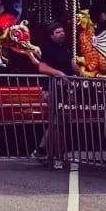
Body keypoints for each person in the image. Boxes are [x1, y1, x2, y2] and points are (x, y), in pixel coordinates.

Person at [31, 21, 80, 169]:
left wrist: (82, 74)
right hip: (52, 89)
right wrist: (59, 74)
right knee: (58, 122)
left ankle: (42, 149)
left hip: (64, 90)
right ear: (52, 35)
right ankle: (55, 155)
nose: (61, 34)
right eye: (58, 32)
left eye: (62, 31)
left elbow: (71, 63)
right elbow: (42, 67)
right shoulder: (49, 49)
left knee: (59, 122)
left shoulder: (65, 48)